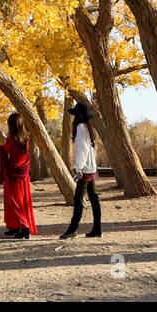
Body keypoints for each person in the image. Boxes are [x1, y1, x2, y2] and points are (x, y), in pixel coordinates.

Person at [60, 102, 102, 239]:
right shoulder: (89, 128)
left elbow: (82, 150)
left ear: (77, 116)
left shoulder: (80, 128)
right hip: (91, 168)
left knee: (78, 199)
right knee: (93, 198)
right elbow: (90, 149)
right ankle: (97, 229)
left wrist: (78, 167)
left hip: (84, 169)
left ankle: (73, 230)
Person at [0, 114, 37, 239]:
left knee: (13, 201)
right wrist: (4, 137)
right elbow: (13, 147)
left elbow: (3, 152)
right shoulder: (25, 138)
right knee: (22, 201)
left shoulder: (12, 139)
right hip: (23, 175)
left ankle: (24, 227)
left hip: (12, 175)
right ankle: (15, 227)